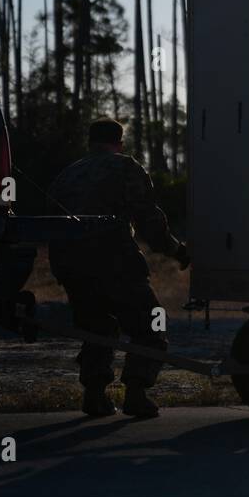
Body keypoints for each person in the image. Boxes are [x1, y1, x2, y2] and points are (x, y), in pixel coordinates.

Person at [48, 118, 190, 418]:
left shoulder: (67, 175)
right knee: (151, 324)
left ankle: (95, 395)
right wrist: (177, 251)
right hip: (115, 263)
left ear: (90, 142)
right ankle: (136, 393)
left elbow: (53, 226)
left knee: (97, 329)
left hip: (72, 267)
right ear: (119, 142)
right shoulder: (125, 167)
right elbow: (148, 220)